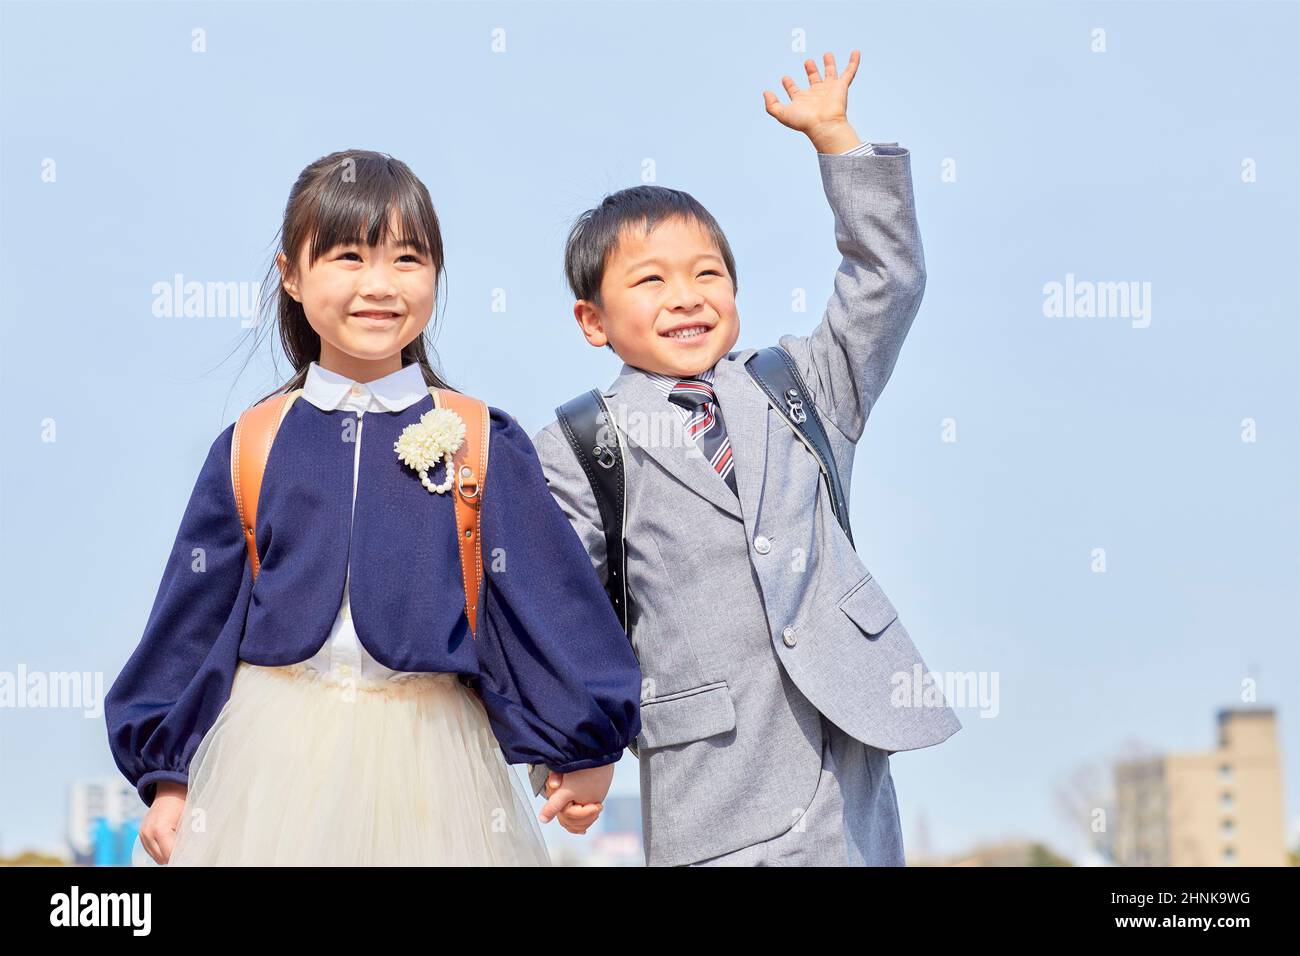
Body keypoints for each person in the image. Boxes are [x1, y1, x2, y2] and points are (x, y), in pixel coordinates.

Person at [105, 149, 642, 866]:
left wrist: (587, 743)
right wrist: (167, 776)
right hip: (269, 762)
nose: (380, 285)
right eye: (349, 257)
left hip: (434, 767)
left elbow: (548, 598)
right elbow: (194, 621)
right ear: (291, 276)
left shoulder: (480, 440)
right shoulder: (252, 444)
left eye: (408, 260)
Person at [530, 51, 960, 866]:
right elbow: (562, 613)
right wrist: (571, 748)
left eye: (707, 273)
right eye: (650, 280)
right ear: (593, 320)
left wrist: (836, 140)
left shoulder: (803, 386)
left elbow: (888, 280)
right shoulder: (583, 445)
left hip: (842, 759)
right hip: (711, 779)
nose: (687, 295)